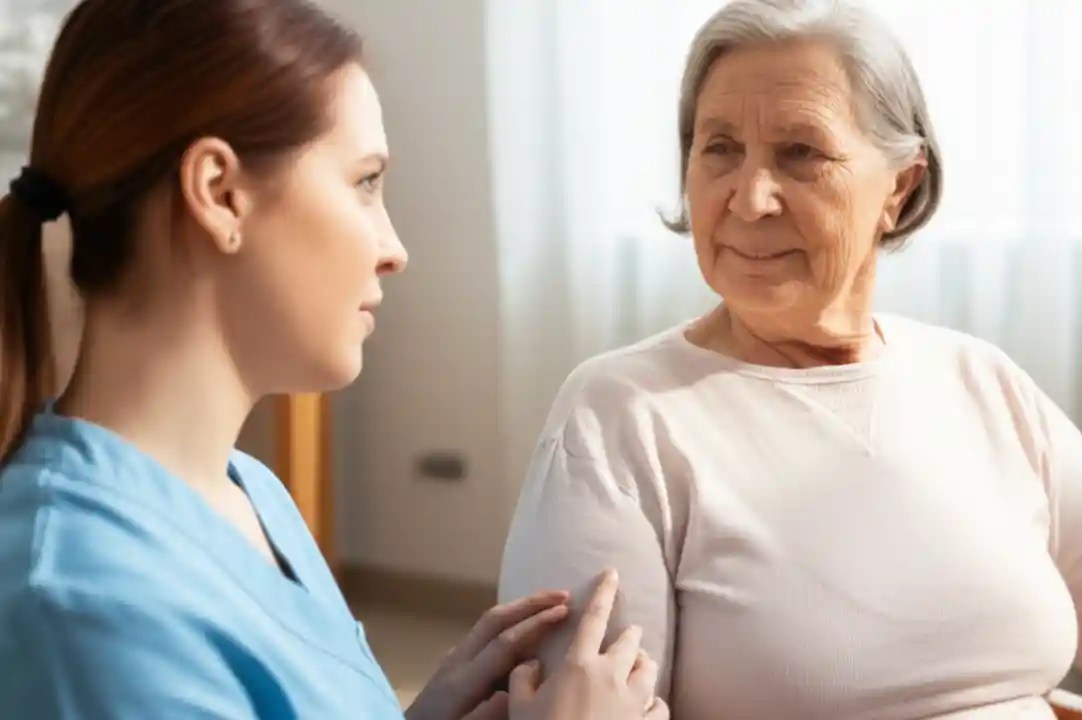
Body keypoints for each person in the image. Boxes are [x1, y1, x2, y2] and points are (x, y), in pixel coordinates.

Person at [498, 1, 1082, 718]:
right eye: (720, 150)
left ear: (899, 190)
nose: (750, 197)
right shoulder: (619, 415)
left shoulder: (979, 383)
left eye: (800, 153)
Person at [0, 1, 667, 719]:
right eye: (366, 183)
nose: (395, 248)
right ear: (220, 194)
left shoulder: (250, 494)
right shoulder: (83, 604)